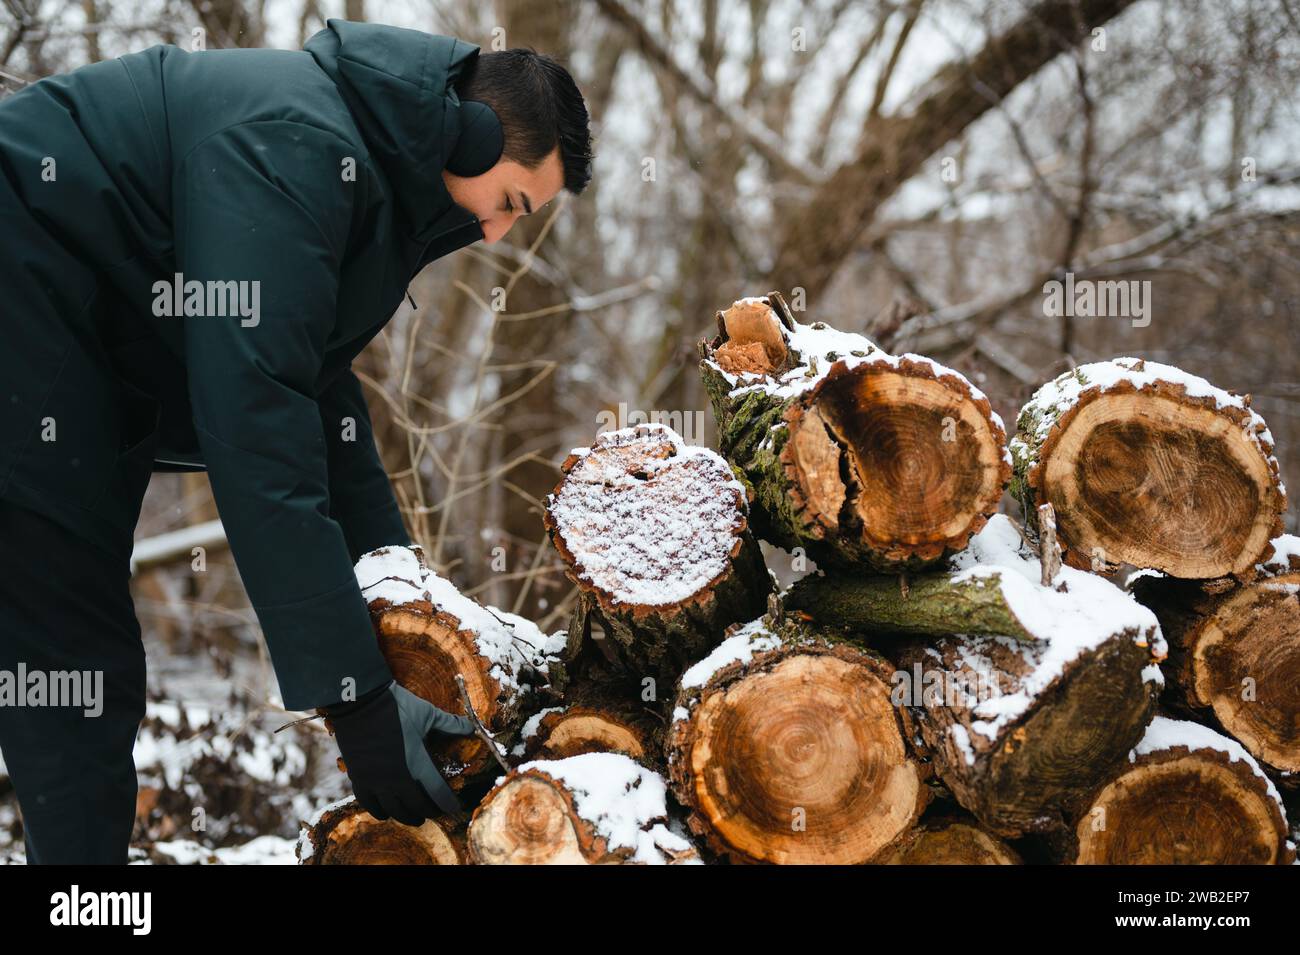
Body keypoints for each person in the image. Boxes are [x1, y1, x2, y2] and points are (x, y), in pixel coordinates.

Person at [0, 18, 593, 863]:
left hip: (74, 333)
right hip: (26, 289)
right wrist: (356, 702)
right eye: (511, 203)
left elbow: (318, 400)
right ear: (470, 135)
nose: (498, 233)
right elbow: (257, 416)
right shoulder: (297, 145)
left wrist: (397, 597)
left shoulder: (357, 168)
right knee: (73, 651)